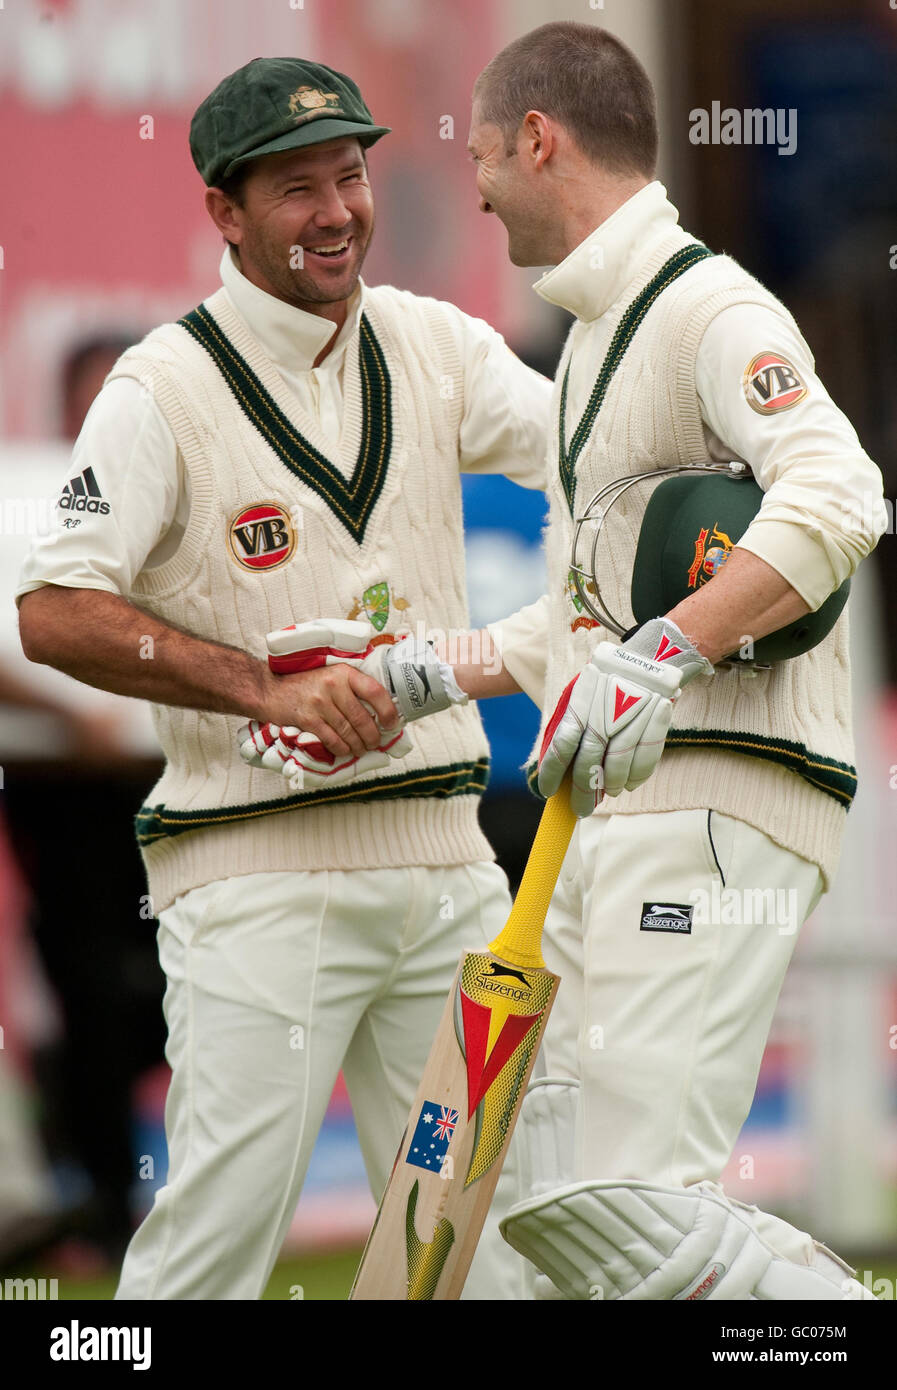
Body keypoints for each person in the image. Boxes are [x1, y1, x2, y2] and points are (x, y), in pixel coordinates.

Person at [16, 56, 550, 1300]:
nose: (337, 212)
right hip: (258, 872)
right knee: (213, 1250)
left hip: (448, 867)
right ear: (226, 211)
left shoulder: (433, 344)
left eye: (351, 177)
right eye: (297, 187)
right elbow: (53, 613)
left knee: (478, 1241)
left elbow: (584, 445)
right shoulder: (161, 390)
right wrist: (264, 689)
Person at [450, 21, 888, 1299]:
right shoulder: (590, 338)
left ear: (541, 138)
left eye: (481, 154)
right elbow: (587, 620)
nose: (472, 185)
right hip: (607, 806)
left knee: (630, 1205)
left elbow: (843, 492)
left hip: (718, 792)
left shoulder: (709, 302)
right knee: (555, 1214)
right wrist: (430, 669)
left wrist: (669, 651)